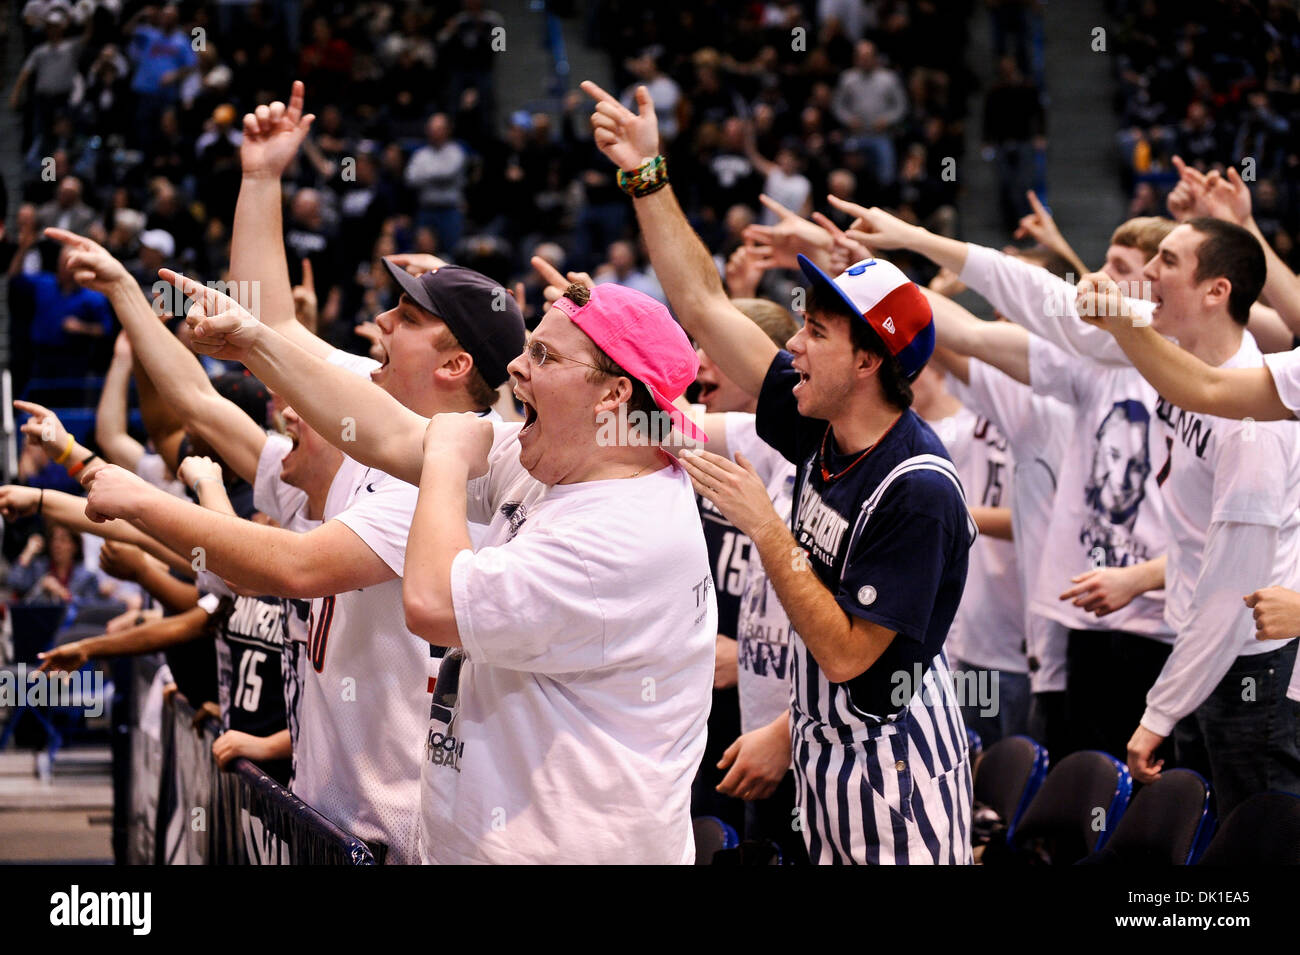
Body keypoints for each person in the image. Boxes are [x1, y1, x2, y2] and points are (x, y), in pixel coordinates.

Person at [91, 259, 717, 863]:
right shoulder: (563, 464)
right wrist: (256, 343)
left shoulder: (618, 533)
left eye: (545, 357)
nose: (517, 368)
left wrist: (442, 455)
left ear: (614, 394)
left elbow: (433, 605)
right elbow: (388, 434)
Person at [583, 79, 976, 864]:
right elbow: (701, 304)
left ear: (868, 360)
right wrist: (647, 174)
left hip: (898, 778)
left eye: (817, 331)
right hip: (825, 753)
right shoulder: (818, 421)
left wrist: (767, 528)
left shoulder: (919, 489)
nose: (795, 343)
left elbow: (848, 655)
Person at [843, 201, 1178, 764]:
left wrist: (1144, 577)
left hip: (1163, 632)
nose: (1097, 279)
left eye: (1124, 270)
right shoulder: (1092, 366)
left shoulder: (1218, 380)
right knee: (1071, 807)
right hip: (1077, 627)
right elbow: (974, 331)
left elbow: (1229, 533)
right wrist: (875, 281)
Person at [1064, 218, 1300, 815]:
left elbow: (1231, 588)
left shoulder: (1253, 434)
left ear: (1216, 292)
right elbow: (1210, 391)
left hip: (1249, 661)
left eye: (1165, 260)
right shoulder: (1206, 372)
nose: (1146, 274)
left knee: (1254, 841)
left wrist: (1162, 709)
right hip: (1208, 650)